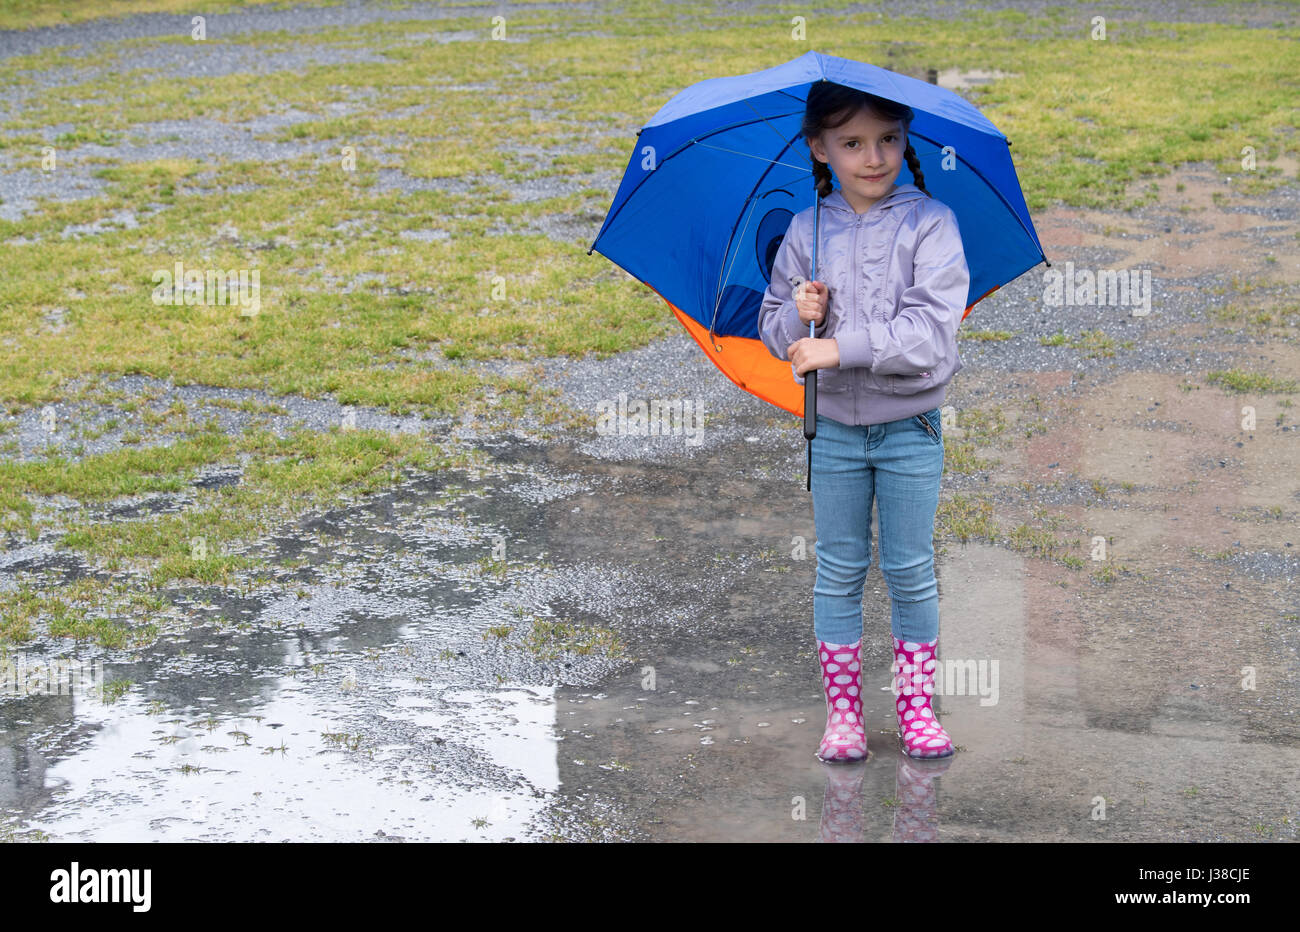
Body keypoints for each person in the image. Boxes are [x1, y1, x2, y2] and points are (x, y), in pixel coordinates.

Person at [758, 80, 969, 762]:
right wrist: (800, 312)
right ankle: (843, 715)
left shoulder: (930, 225)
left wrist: (838, 345)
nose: (873, 157)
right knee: (839, 568)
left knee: (910, 571)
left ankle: (916, 711)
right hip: (837, 433)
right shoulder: (803, 230)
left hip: (911, 430)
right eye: (851, 143)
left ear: (905, 140)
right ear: (819, 148)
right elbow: (772, 329)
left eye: (888, 139)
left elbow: (931, 337)